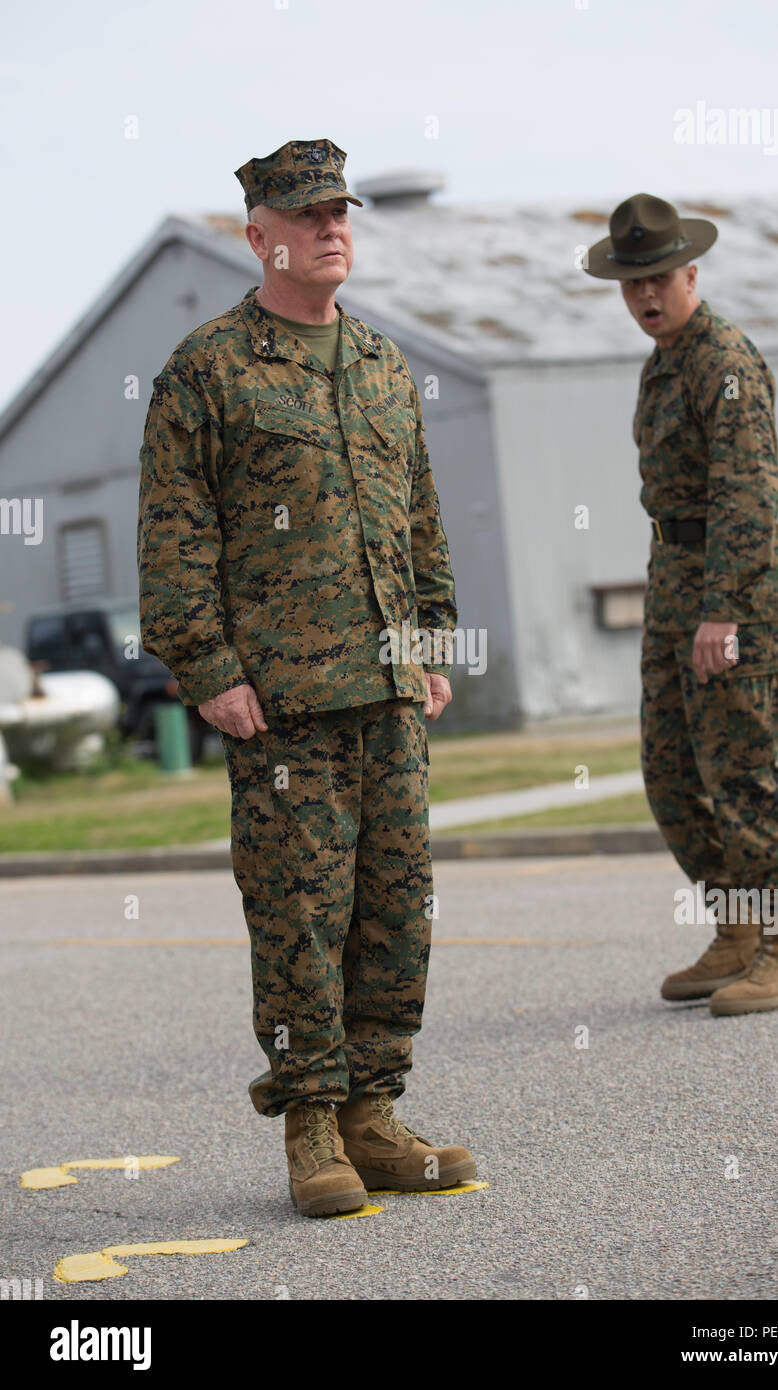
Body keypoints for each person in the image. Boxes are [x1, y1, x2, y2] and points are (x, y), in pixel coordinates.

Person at [137, 137, 476, 1215]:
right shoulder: (209, 368)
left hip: (385, 693)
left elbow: (418, 511)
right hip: (280, 706)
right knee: (297, 916)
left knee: (396, 909)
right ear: (259, 237)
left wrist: (428, 637)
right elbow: (174, 535)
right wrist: (208, 667)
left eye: (341, 211)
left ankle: (375, 1116)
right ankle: (311, 1129)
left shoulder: (378, 364)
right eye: (308, 214)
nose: (332, 228)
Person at [583, 192, 778, 1017]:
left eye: (659, 280)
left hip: (735, 593)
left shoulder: (724, 361)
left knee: (741, 771)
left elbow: (746, 494)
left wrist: (722, 611)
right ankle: (737, 928)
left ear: (691, 273)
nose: (646, 297)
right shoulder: (663, 364)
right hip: (675, 585)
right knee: (671, 772)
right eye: (632, 285)